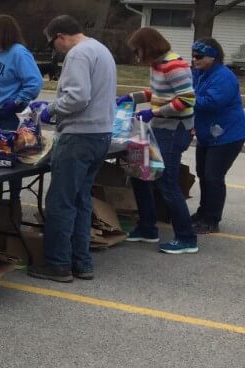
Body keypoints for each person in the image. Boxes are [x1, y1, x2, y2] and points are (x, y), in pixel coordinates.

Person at [27, 15, 117, 283]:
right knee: (81, 201)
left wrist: (50, 110)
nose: (55, 50)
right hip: (100, 135)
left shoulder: (78, 54)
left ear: (60, 37)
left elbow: (78, 96)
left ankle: (58, 264)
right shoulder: (101, 49)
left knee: (60, 203)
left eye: (53, 44)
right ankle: (82, 262)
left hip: (78, 137)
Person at [120, 27, 197, 254]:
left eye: (137, 51)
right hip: (159, 128)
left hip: (174, 130)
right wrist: (133, 97)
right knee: (141, 176)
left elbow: (186, 100)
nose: (136, 56)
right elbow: (160, 93)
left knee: (167, 183)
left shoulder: (175, 65)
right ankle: (147, 228)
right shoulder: (157, 65)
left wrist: (154, 113)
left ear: (148, 47)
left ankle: (186, 238)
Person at [189, 37, 245, 235]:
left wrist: (185, 98)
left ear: (212, 57)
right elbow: (188, 89)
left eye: (199, 56)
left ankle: (212, 220)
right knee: (203, 174)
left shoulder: (223, 76)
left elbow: (210, 102)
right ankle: (203, 212)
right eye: (193, 55)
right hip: (208, 135)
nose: (194, 59)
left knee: (213, 176)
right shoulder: (199, 73)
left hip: (227, 135)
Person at [0, 14, 44, 131]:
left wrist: (16, 102)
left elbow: (35, 83)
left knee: (3, 149)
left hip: (7, 116)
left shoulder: (19, 53)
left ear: (1, 32)